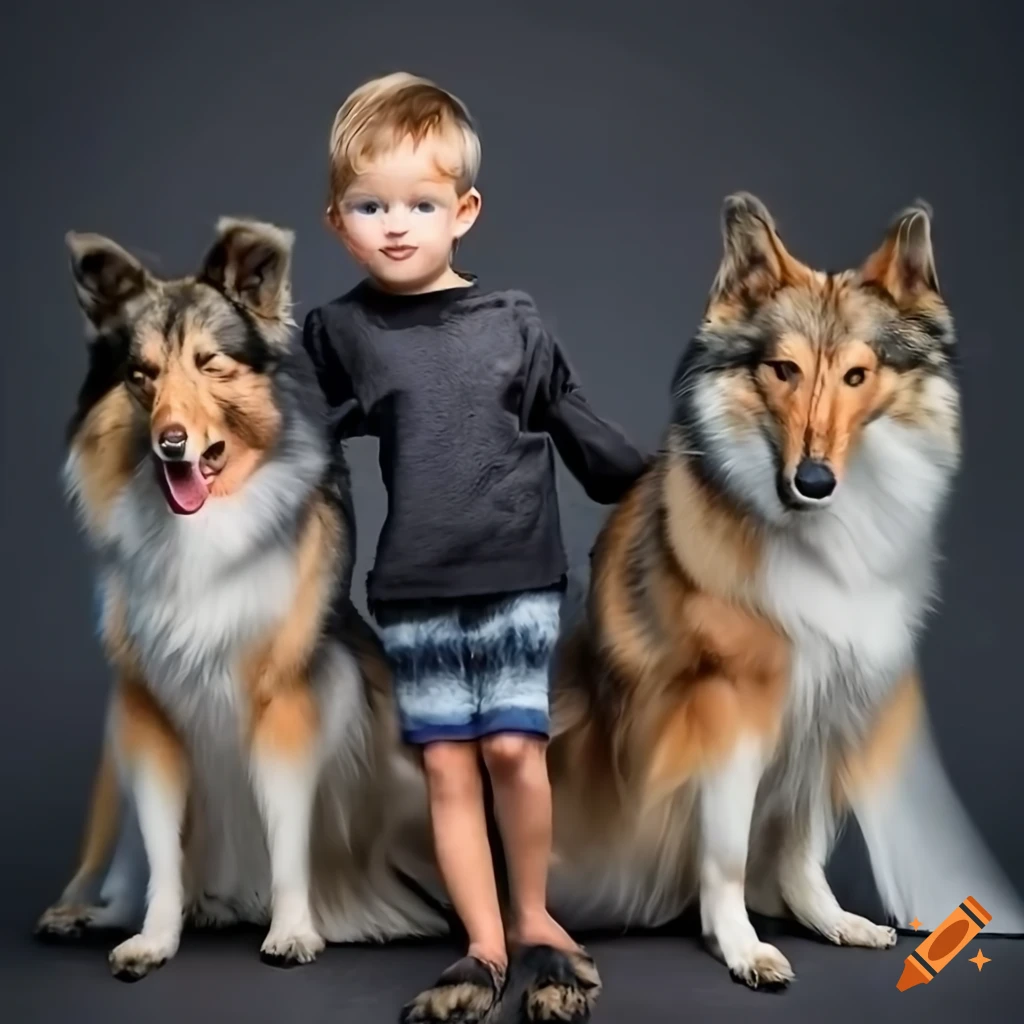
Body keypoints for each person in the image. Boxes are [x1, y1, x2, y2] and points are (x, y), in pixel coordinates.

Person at [301, 71, 648, 1021]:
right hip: (413, 586)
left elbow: (585, 435)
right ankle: (484, 942)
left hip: (520, 576)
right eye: (371, 206)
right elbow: (292, 436)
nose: (397, 225)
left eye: (421, 203)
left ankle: (533, 914)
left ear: (465, 209)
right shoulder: (340, 333)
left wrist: (665, 477)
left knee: (510, 749)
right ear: (339, 220)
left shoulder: (513, 323)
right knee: (449, 765)